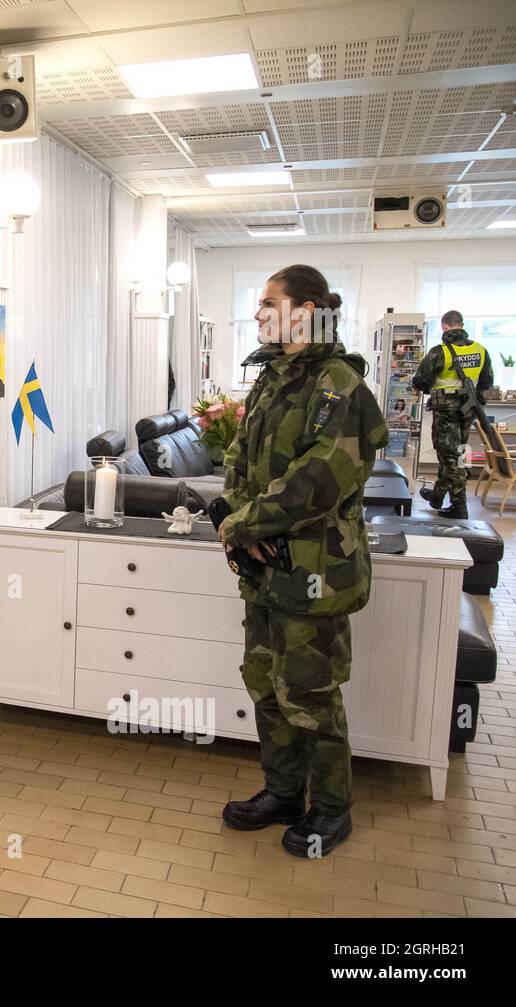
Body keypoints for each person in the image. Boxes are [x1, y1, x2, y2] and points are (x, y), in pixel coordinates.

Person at [216, 264, 387, 859]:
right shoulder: (269, 379)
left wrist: (241, 525)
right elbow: (240, 459)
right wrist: (236, 523)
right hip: (265, 569)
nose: (259, 313)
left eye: (269, 303)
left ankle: (332, 811)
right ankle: (284, 793)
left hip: (316, 574)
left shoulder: (341, 386)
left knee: (311, 697)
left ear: (307, 311)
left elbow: (318, 482)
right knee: (265, 684)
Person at [413, 310, 492, 518]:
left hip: (446, 412)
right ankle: (437, 496)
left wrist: (435, 388)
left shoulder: (440, 352)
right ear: (462, 324)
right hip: (468, 411)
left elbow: (419, 381)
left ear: (444, 326)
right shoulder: (480, 350)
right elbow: (487, 382)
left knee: (450, 457)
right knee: (456, 455)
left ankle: (459, 506)